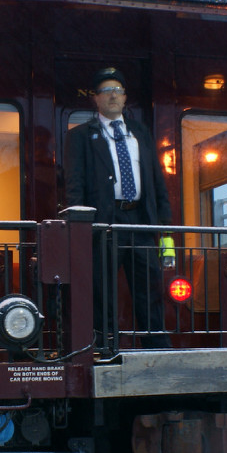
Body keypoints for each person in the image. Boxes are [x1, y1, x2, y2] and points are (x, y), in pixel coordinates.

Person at [64, 67, 172, 348]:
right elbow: (74, 184)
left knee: (149, 288)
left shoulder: (141, 132)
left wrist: (165, 225)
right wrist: (79, 226)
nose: (112, 96)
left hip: (141, 220)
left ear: (125, 98)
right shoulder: (80, 136)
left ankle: (157, 347)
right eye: (106, 91)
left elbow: (156, 180)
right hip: (104, 222)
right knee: (103, 290)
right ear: (96, 99)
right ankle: (105, 348)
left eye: (117, 90)